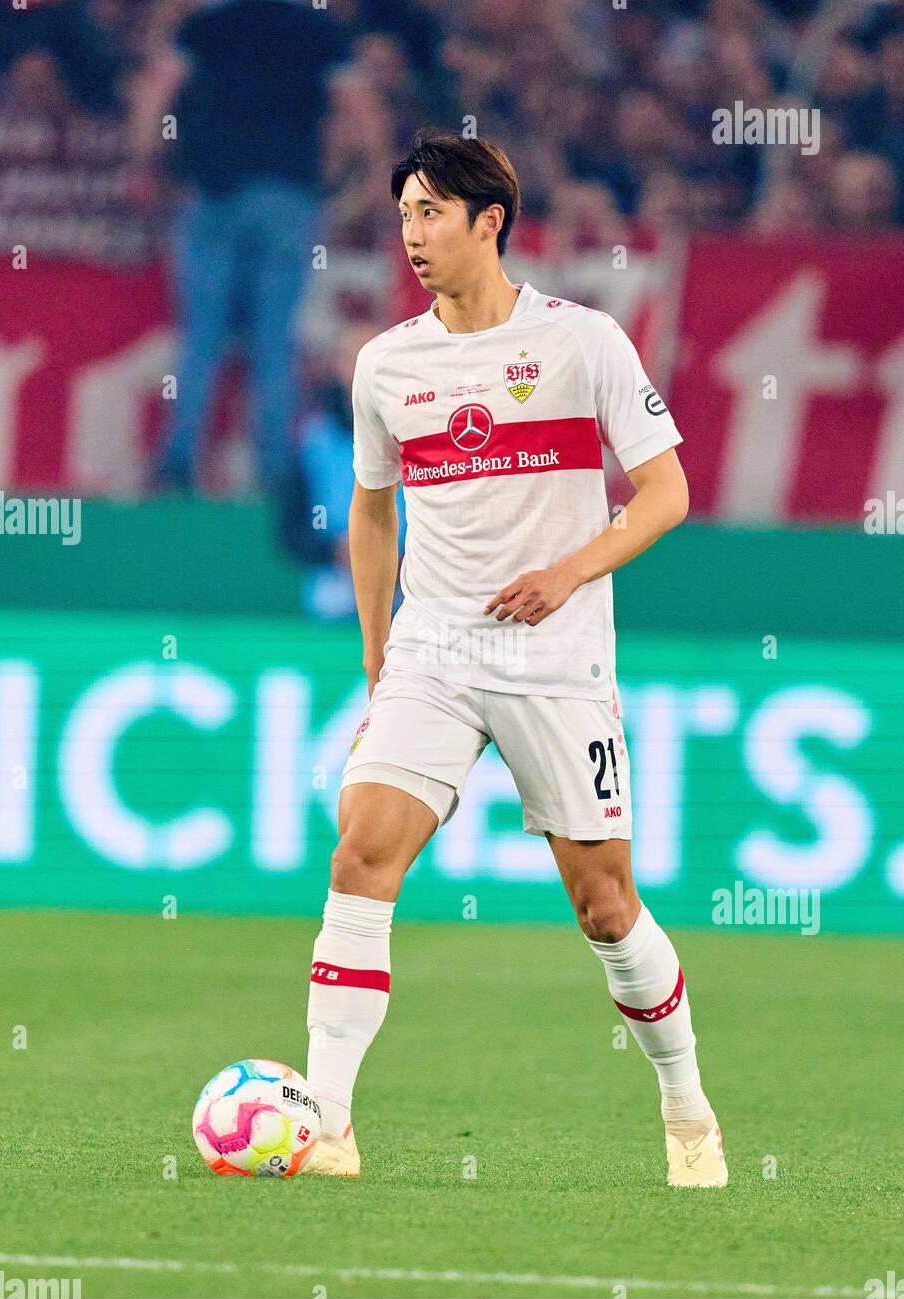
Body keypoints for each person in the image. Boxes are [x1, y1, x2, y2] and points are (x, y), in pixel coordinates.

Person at [301, 130, 727, 1189]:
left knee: (603, 904)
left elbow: (666, 492)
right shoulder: (386, 363)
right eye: (401, 214)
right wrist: (379, 659)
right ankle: (327, 1124)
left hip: (557, 656)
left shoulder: (582, 342)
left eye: (429, 214)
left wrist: (568, 572)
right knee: (361, 852)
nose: (410, 235)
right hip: (434, 650)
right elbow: (368, 514)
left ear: (487, 221)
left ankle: (684, 1104)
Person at [128, 0, 346, 491]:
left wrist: (145, 157)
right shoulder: (317, 30)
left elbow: (157, 91)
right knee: (274, 342)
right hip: (289, 196)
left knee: (201, 340)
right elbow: (357, 109)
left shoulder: (207, 25)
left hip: (215, 193)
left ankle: (178, 464)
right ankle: (274, 478)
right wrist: (363, 172)